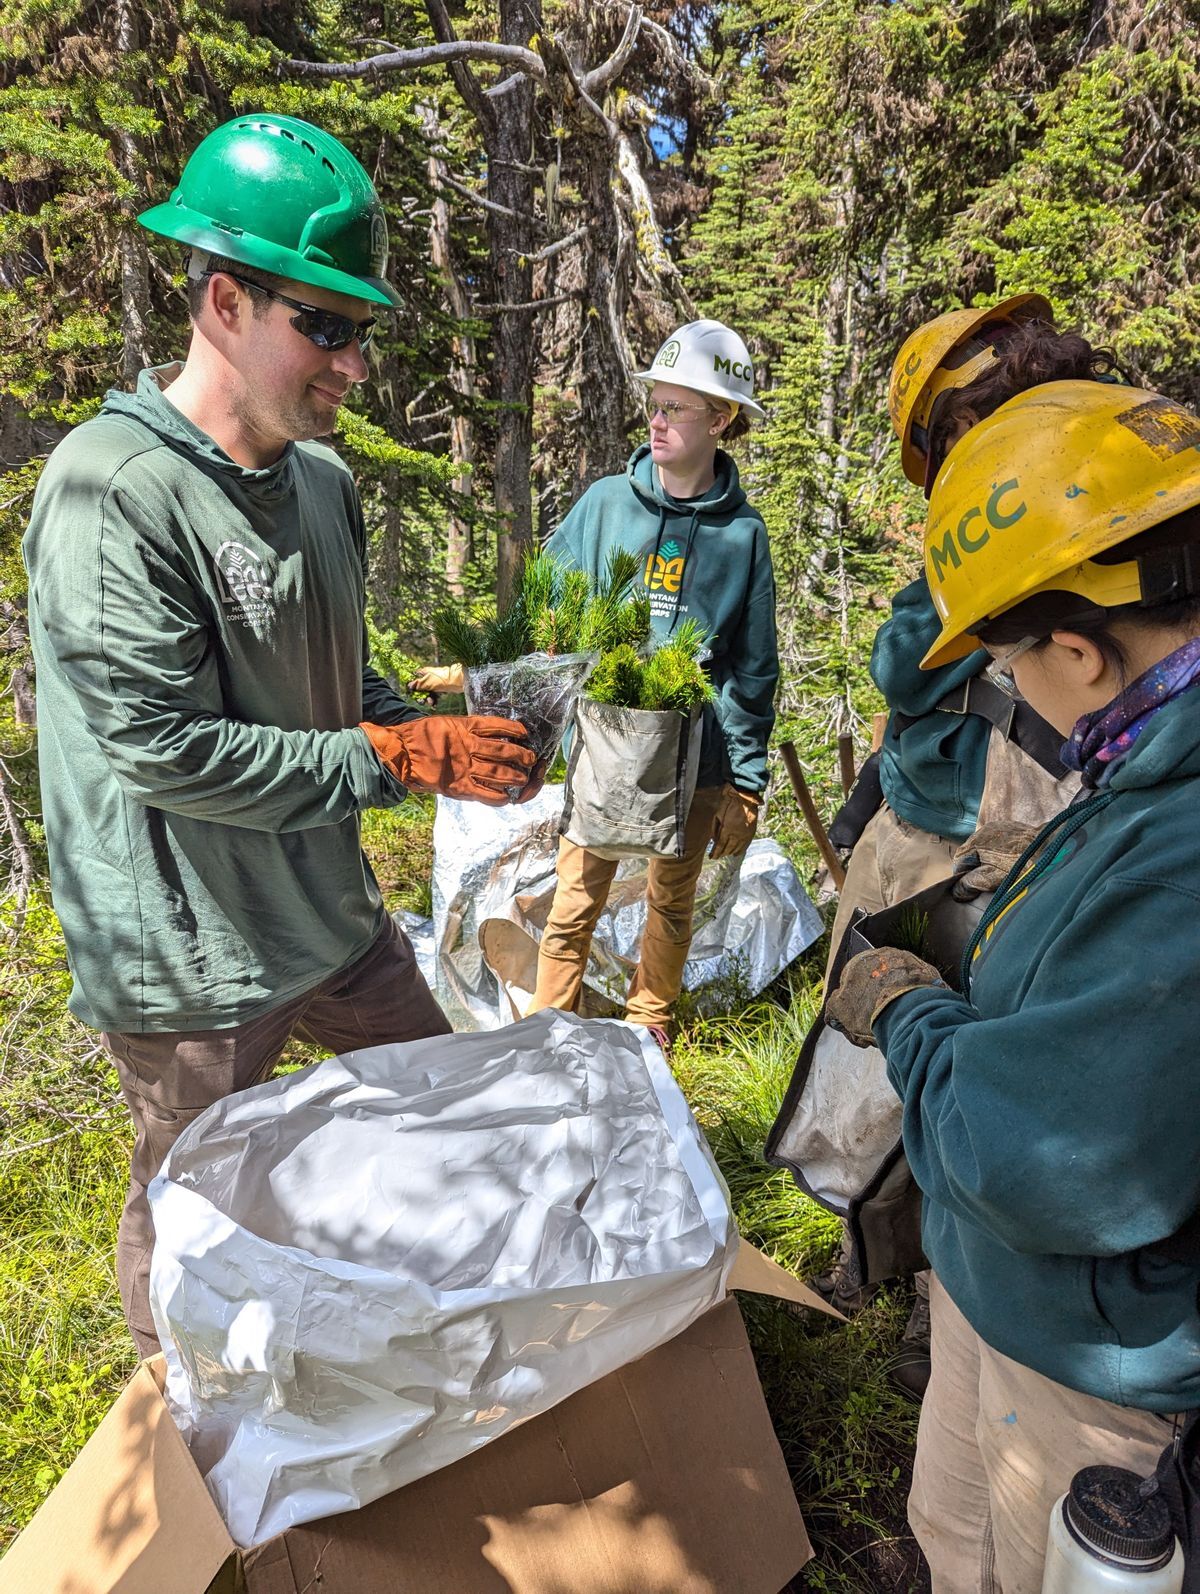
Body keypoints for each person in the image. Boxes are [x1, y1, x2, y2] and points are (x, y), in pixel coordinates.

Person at [22, 113, 541, 1356]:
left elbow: (343, 687)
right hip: (187, 957)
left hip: (331, 921)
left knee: (445, 1116)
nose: (354, 364)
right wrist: (391, 760)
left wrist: (437, 738)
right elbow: (161, 747)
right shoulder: (115, 489)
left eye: (362, 331)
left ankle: (452, 1355)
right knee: (194, 1220)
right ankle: (179, 1418)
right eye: (325, 326)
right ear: (224, 301)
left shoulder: (324, 484)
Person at [827, 379, 1200, 1593]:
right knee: (954, 1537)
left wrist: (908, 1009)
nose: (1008, 693)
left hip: (1095, 1375)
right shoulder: (1142, 764)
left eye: (1007, 661)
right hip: (1013, 1303)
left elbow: (1041, 1156)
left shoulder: (1177, 847)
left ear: (1079, 652)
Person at [817, 303, 1103, 1399]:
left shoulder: (1056, 514)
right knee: (890, 1048)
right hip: (933, 838)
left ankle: (938, 1297)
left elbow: (905, 660)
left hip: (1020, 847)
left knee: (963, 1069)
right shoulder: (1011, 515)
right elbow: (907, 678)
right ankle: (880, 1247)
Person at [521, 320, 779, 1043]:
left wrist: (746, 782)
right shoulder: (607, 504)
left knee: (672, 900)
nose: (657, 422)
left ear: (720, 420)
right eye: (653, 405)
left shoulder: (743, 535)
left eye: (675, 408)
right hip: (606, 744)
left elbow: (752, 668)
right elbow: (547, 609)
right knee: (575, 896)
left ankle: (648, 1029)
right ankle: (545, 1029)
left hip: (695, 753)